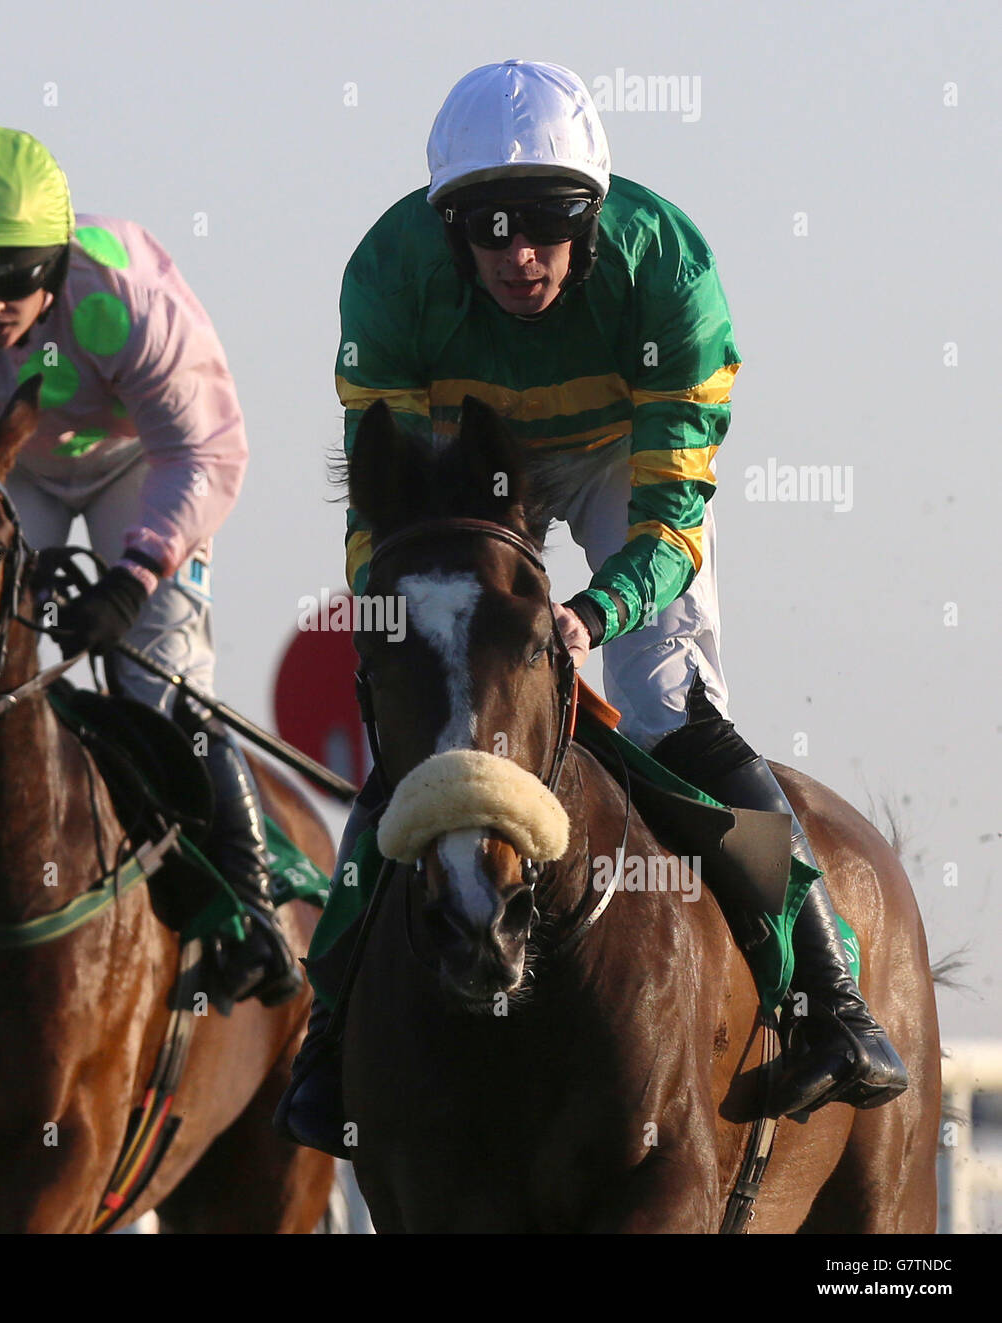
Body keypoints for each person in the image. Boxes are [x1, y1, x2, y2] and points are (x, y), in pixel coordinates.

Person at [275, 61, 906, 1151]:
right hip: (476, 472)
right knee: (431, 736)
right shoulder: (386, 278)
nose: (520, 256)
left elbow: (668, 515)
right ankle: (333, 1029)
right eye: (489, 229)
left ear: (594, 215)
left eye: (551, 225)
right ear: (447, 230)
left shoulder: (672, 274)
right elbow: (381, 504)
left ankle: (828, 999)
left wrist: (592, 614)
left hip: (624, 455)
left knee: (663, 702)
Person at [0, 123, 301, 1005]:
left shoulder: (126, 293)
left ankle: (253, 904)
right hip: (5, 471)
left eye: (13, 280)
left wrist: (132, 579)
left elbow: (205, 452)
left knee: (156, 682)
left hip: (146, 467)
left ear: (55, 258)